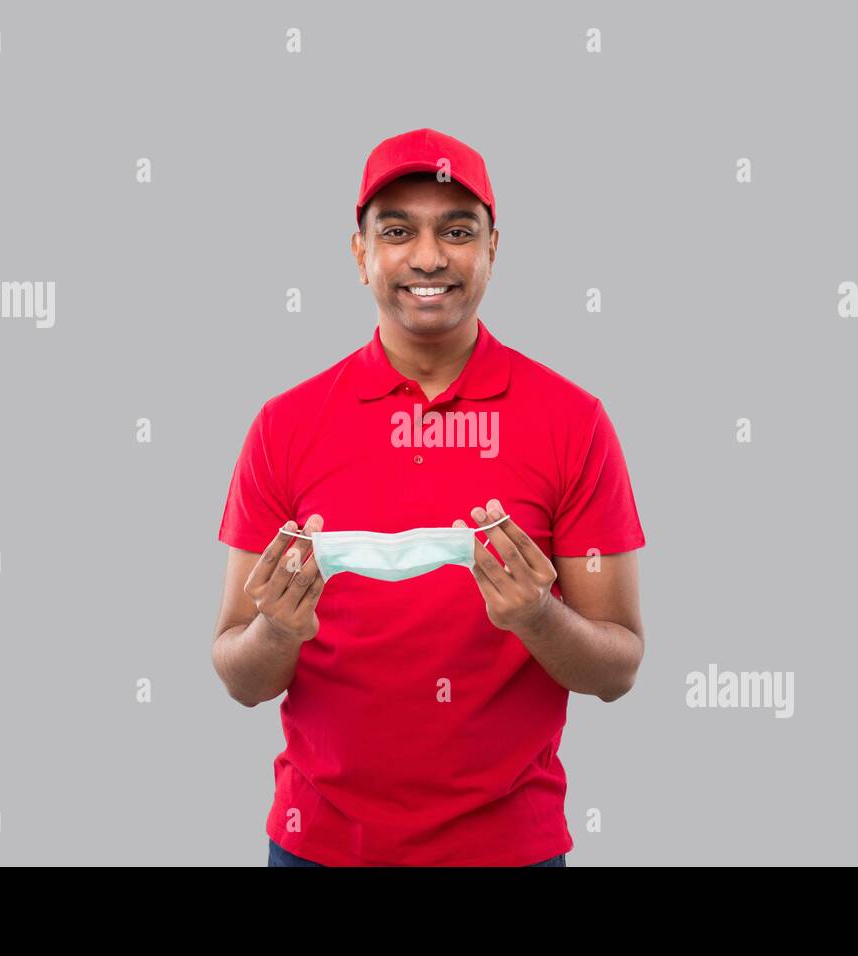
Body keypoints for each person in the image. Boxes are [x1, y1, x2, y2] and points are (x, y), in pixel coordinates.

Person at [212, 128, 646, 867]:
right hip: (318, 846)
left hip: (512, 851)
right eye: (396, 231)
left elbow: (618, 669)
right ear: (360, 256)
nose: (427, 257)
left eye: (456, 230)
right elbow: (238, 674)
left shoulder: (573, 422)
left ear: (493, 249)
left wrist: (537, 617)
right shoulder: (284, 426)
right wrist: (279, 632)